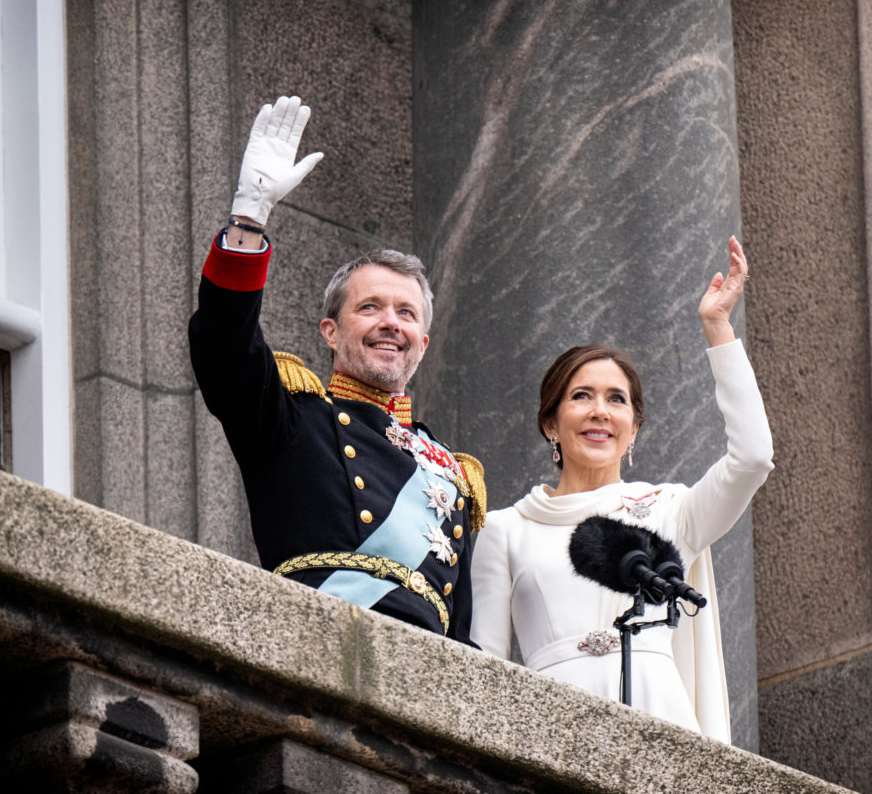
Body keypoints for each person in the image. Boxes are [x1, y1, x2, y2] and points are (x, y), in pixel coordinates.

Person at [188, 96, 486, 644]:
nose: (390, 323)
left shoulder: (453, 473)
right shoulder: (290, 416)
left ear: (423, 341)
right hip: (314, 650)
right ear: (331, 331)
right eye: (369, 307)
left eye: (406, 313)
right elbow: (223, 344)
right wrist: (250, 216)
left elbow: (460, 626)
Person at [469, 237, 772, 740]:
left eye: (616, 400)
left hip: (661, 719)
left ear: (633, 428)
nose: (599, 412)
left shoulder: (671, 512)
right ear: (551, 423)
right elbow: (484, 669)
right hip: (550, 729)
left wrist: (718, 329)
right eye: (581, 396)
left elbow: (753, 458)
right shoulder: (505, 530)